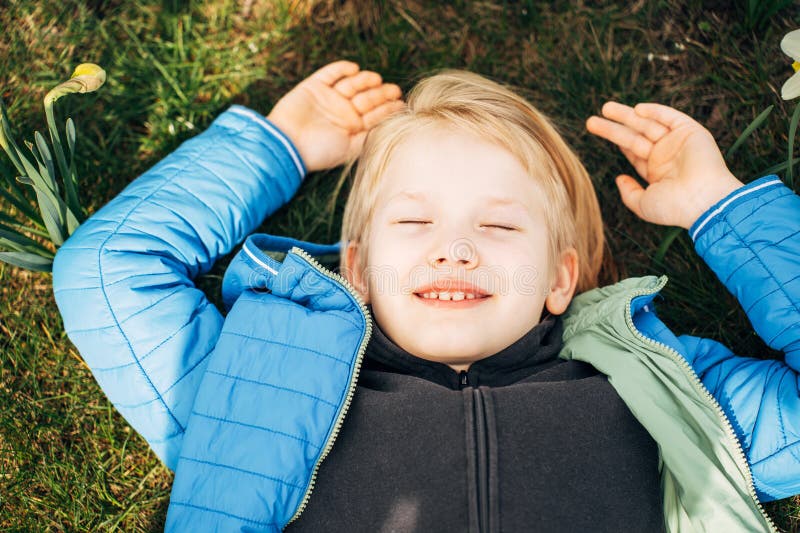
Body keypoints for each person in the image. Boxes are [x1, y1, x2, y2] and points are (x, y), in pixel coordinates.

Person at [51, 60, 800, 532]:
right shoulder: (259, 387)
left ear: (559, 279)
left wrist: (719, 204)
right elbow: (108, 270)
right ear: (360, 269)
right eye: (413, 220)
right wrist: (273, 150)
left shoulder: (657, 388)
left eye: (500, 223)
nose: (455, 246)